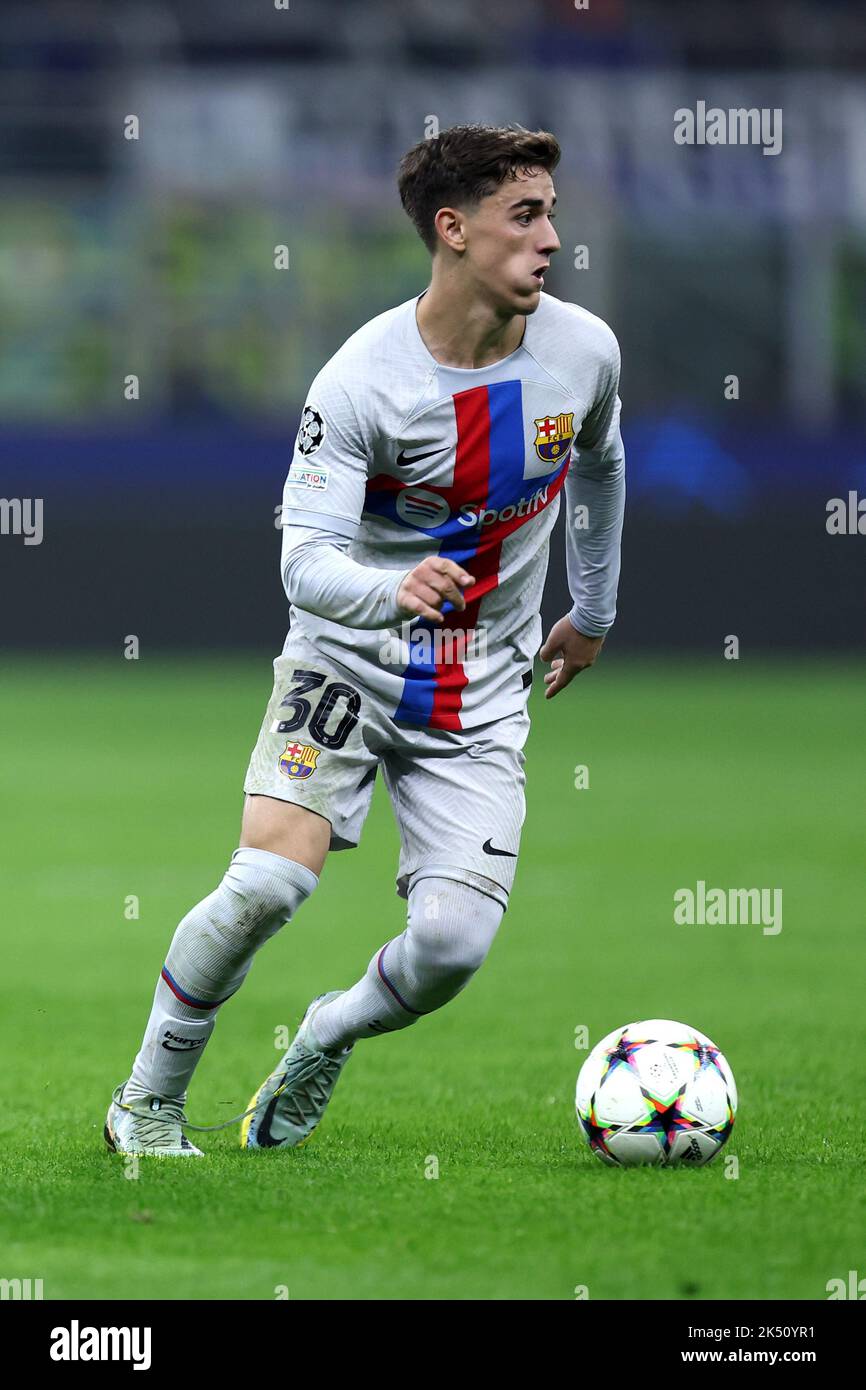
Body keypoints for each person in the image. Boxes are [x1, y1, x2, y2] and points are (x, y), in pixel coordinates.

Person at [104, 122, 626, 1156]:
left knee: (447, 948)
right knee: (265, 885)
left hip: (479, 684)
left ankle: (325, 1033)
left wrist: (594, 610)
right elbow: (301, 562)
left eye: (550, 214)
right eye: (524, 216)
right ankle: (147, 1101)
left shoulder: (583, 352)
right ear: (453, 229)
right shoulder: (358, 383)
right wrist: (390, 591)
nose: (550, 240)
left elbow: (602, 467)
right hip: (344, 658)